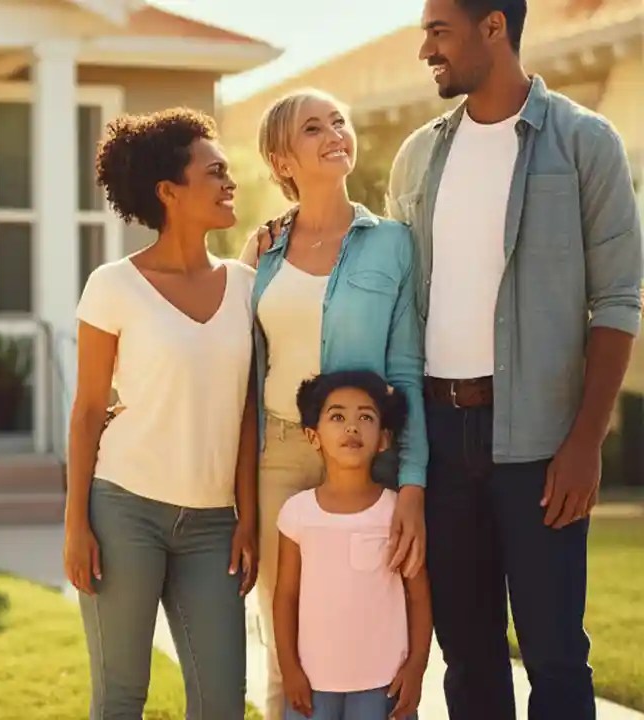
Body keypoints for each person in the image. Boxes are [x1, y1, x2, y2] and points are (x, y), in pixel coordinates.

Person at [385, 1, 643, 718]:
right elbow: (390, 284)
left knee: (554, 655)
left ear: (494, 26)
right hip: (440, 436)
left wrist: (586, 443)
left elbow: (618, 300)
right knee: (467, 656)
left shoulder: (585, 143)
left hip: (541, 441)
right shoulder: (417, 156)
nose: (425, 50)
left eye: (439, 32)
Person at [64, 107, 259, 719]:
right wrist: (76, 524)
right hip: (124, 510)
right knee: (122, 696)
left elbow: (247, 412)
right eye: (215, 172)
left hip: (214, 526)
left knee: (222, 702)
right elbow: (88, 410)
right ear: (168, 191)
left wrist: (248, 518)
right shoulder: (113, 285)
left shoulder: (247, 285)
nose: (230, 182)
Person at [240, 88, 428, 720]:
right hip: (280, 454)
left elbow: (406, 370)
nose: (334, 134)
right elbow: (245, 365)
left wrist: (412, 483)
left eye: (338, 121)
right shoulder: (262, 252)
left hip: (365, 457)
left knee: (376, 630)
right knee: (284, 639)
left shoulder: (394, 243)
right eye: (313, 128)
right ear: (281, 160)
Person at [274, 371, 432, 720]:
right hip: (313, 687)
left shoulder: (396, 513)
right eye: (337, 417)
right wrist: (290, 669)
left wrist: (416, 667)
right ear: (313, 436)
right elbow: (285, 597)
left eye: (366, 417)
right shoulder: (297, 513)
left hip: (383, 686)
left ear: (384, 439)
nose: (351, 427)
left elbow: (419, 597)